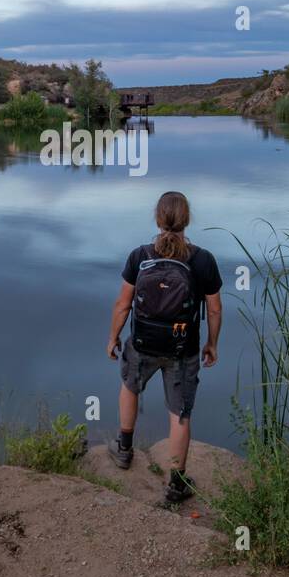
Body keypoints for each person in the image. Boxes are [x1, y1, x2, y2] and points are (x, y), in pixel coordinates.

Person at [106, 191, 222, 503]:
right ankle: (176, 483)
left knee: (130, 386)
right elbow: (214, 309)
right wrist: (212, 343)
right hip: (183, 349)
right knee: (180, 413)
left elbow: (122, 305)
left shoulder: (140, 256)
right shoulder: (203, 260)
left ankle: (124, 449)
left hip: (143, 342)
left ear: (158, 220)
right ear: (187, 220)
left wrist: (113, 337)